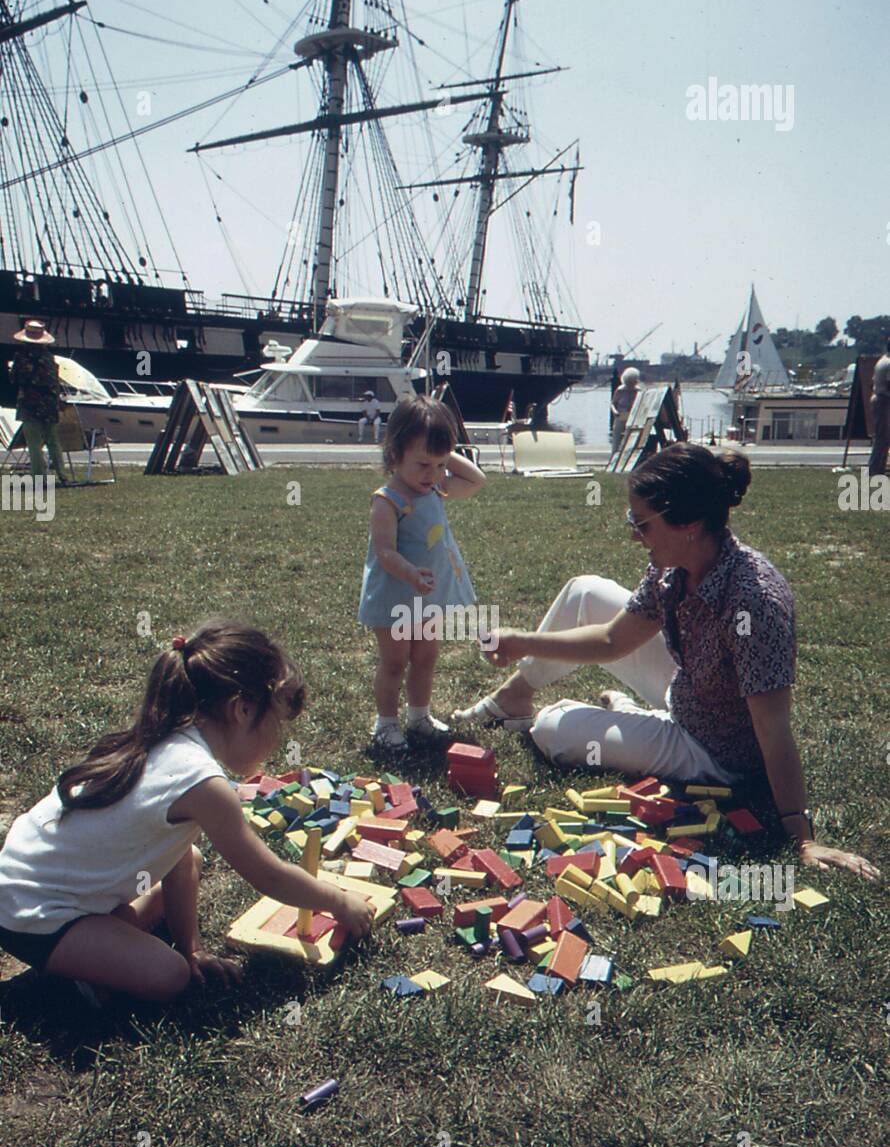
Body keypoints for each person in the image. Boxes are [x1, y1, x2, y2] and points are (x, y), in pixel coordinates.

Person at [454, 443, 879, 880]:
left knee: (550, 729)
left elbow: (772, 728)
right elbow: (611, 640)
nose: (634, 535)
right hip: (689, 690)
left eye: (642, 524)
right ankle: (514, 699)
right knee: (585, 591)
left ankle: (629, 716)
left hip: (716, 750)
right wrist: (522, 640)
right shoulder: (671, 568)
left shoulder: (755, 603)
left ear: (690, 525)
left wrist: (801, 836)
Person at [0, 622, 375, 1003]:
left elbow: (178, 857)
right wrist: (339, 901)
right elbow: (271, 877)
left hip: (39, 885)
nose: (278, 741)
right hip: (32, 913)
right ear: (243, 710)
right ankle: (83, 974)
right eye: (277, 724)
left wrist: (191, 947)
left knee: (188, 858)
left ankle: (102, 943)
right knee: (169, 976)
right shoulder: (202, 783)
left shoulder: (166, 738)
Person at [359, 393, 485, 751]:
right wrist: (411, 573)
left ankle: (419, 716)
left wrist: (441, 451)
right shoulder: (388, 499)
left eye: (440, 464)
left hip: (426, 596)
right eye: (423, 464)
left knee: (426, 657)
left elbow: (477, 481)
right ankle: (385, 724)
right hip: (396, 595)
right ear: (395, 454)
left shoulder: (435, 485)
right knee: (395, 662)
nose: (433, 474)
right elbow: (384, 551)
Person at [11, 319, 67, 482]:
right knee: (53, 441)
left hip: (29, 402)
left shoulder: (21, 357)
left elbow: (15, 379)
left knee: (34, 443)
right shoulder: (49, 358)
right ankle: (62, 474)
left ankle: (39, 476)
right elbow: (54, 381)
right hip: (49, 403)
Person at [868, 335, 890, 478]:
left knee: (882, 437)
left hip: (879, 398)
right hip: (885, 400)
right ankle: (875, 468)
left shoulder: (882, 360)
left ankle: (877, 468)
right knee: (883, 437)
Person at [609, 366, 640, 455]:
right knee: (617, 437)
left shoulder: (638, 390)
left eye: (632, 382)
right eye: (629, 382)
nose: (631, 385)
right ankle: (614, 455)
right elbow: (613, 403)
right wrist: (615, 412)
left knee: (631, 438)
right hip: (621, 416)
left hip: (634, 417)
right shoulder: (620, 390)